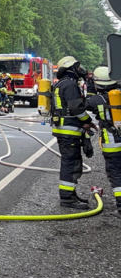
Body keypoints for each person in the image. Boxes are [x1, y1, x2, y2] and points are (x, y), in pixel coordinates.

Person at [52, 56, 95, 209]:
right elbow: (76, 108)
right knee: (70, 163)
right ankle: (67, 198)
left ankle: (70, 194)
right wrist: (87, 121)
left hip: (64, 130)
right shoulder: (70, 85)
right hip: (69, 131)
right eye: (77, 67)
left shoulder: (61, 84)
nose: (79, 70)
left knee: (72, 162)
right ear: (71, 69)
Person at [84, 66, 121, 216]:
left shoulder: (96, 99)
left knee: (116, 173)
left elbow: (81, 106)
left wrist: (91, 89)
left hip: (112, 142)